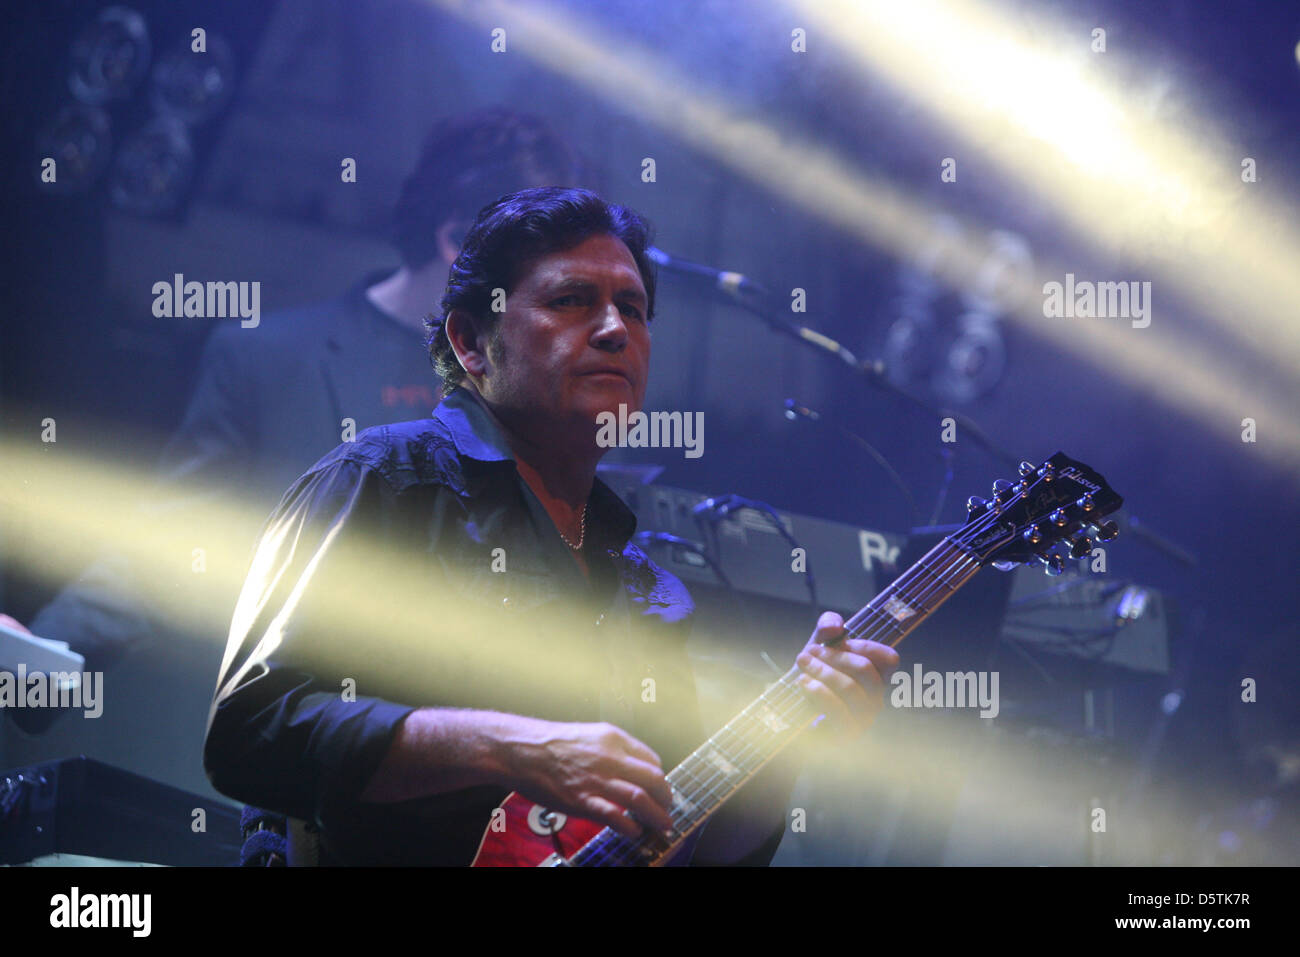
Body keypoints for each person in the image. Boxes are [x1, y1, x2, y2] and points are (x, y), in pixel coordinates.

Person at [202, 187, 899, 865]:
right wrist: (511, 747)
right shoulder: (385, 479)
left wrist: (786, 749)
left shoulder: (645, 585)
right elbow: (250, 731)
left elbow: (686, 844)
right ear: (472, 342)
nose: (613, 328)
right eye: (571, 300)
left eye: (633, 307)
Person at [1, 108, 584, 761]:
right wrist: (39, 657)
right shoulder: (267, 360)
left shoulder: (537, 395)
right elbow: (171, 542)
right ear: (455, 240)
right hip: (303, 774)